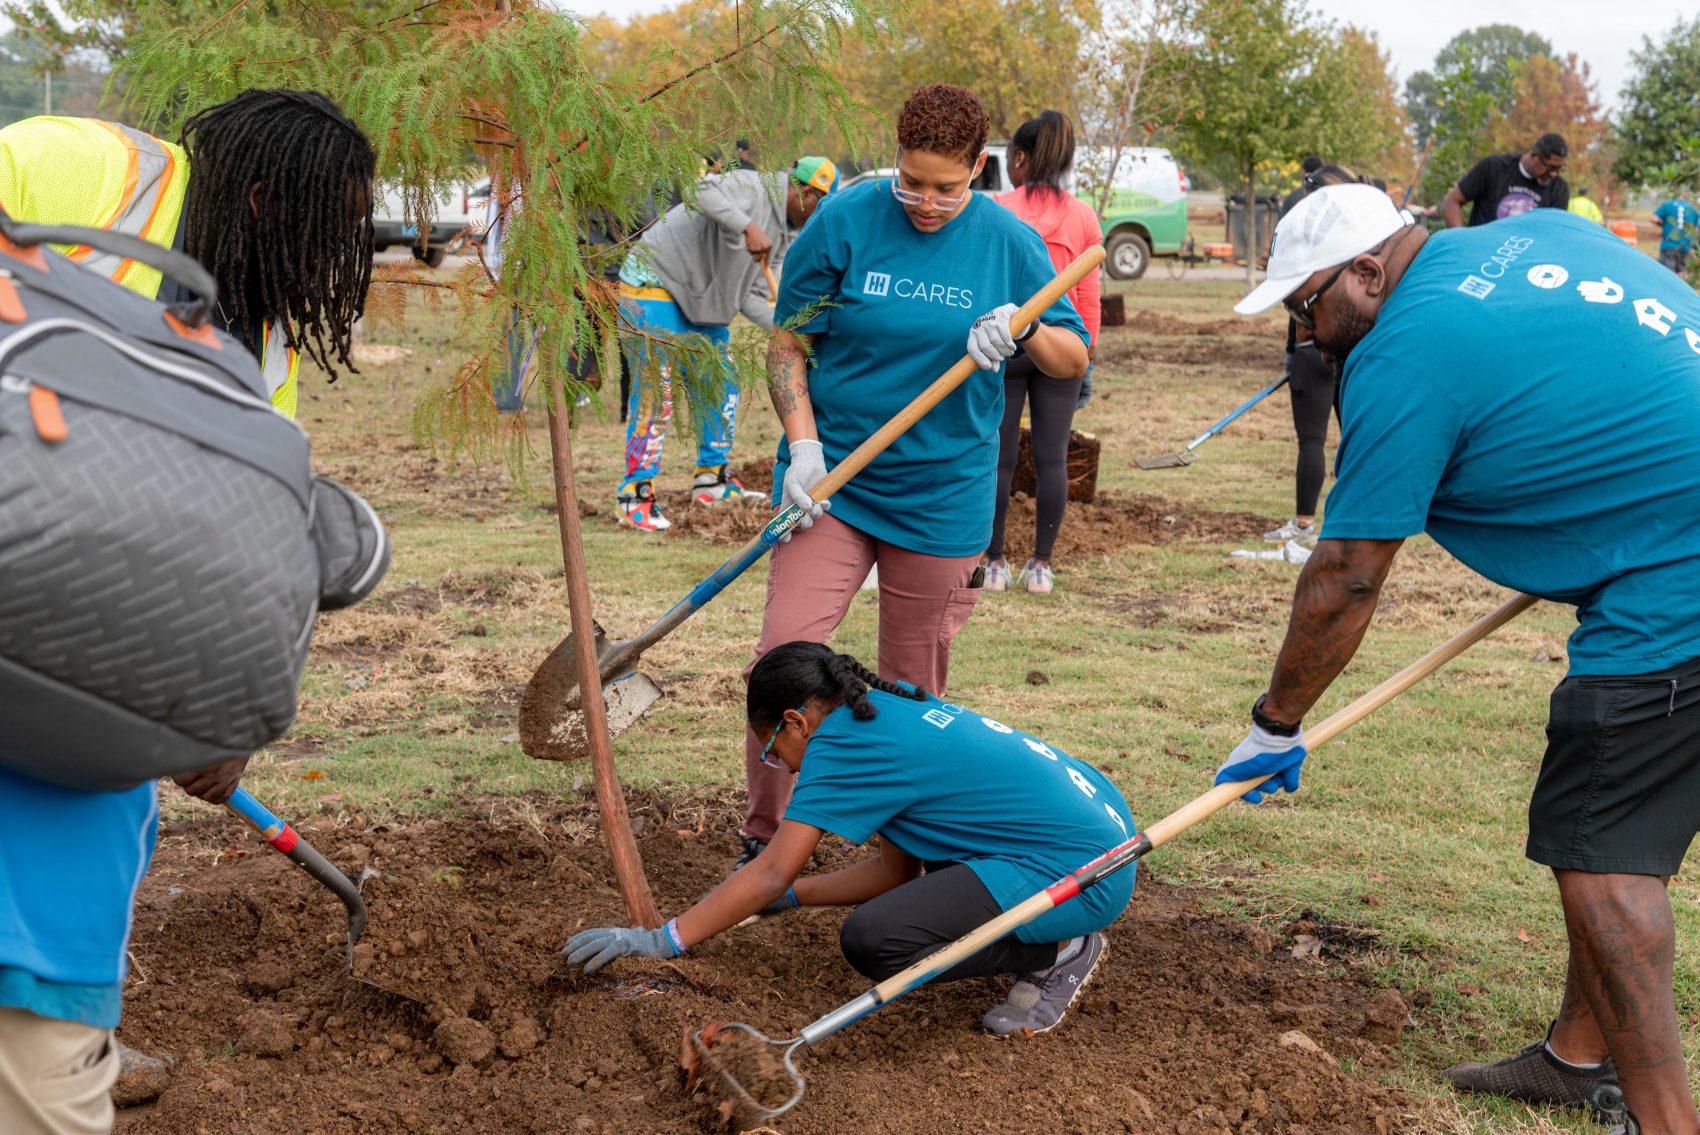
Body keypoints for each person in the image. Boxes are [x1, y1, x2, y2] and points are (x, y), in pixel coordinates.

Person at [1225, 182, 1700, 1135]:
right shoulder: (1541, 232)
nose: (1305, 336)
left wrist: (1273, 721)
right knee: (1614, 831)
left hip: (1678, 573)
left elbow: (1349, 572)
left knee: (1601, 855)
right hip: (1666, 519)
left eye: (1305, 304)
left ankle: (1664, 1120)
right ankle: (1579, 1056)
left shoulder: (1406, 352)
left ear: (1366, 271)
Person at [0, 90, 376, 1135]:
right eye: (322, 235)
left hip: (64, 640)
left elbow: (248, 549)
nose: (325, 266)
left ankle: (61, 1034)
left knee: (96, 814)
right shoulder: (85, 171)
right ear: (260, 198)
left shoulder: (256, 356)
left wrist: (224, 718)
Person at [737, 83, 1089, 869]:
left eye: (946, 187)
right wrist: (801, 447)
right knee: (782, 657)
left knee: (907, 690)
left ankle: (898, 854)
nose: (925, 202)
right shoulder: (848, 218)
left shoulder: (1008, 243)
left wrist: (1025, 326)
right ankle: (763, 835)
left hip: (942, 495)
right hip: (831, 483)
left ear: (978, 167)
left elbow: (1074, 354)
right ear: (893, 159)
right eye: (911, 181)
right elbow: (788, 341)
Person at [564, 641, 1135, 1035]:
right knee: (918, 892)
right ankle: (1052, 935)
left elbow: (769, 871)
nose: (781, 768)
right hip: (1097, 834)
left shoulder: (841, 747)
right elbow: (896, 872)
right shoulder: (882, 710)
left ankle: (1060, 950)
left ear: (795, 722)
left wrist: (662, 940)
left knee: (877, 940)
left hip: (1080, 874)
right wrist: (785, 900)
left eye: (771, 752)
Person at [614, 156, 837, 531]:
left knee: (722, 382)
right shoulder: (753, 185)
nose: (818, 216)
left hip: (703, 304)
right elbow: (701, 190)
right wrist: (747, 226)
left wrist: (790, 331)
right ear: (806, 192)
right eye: (819, 203)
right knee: (659, 388)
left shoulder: (783, 237)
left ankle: (712, 481)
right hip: (654, 280)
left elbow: (751, 295)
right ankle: (634, 496)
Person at [982, 110, 1102, 595]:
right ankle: (1041, 566)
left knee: (999, 457)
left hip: (1007, 341)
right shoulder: (1082, 215)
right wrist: (1085, 355)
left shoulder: (996, 209)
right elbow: (1088, 298)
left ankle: (993, 562)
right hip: (1061, 346)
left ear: (1020, 159)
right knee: (1052, 459)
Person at [1264, 163, 1363, 546]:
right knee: (1352, 438)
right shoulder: (1361, 236)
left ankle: (1306, 523)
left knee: (1312, 440)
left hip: (1317, 351)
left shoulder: (1309, 240)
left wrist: (1294, 351)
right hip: (1351, 353)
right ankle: (1350, 522)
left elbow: (1300, 305)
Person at [1441, 133, 1569, 228]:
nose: (1553, 174)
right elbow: (1451, 202)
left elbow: (1553, 231)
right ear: (1534, 155)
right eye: (1550, 167)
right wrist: (1462, 243)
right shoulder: (1494, 168)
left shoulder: (1559, 189)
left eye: (1559, 168)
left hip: (1524, 260)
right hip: (1481, 253)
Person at [1652, 193, 1697, 278]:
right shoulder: (1692, 209)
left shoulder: (1667, 205)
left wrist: (1663, 224)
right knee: (1681, 273)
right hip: (1684, 246)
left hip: (1669, 244)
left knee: (1668, 274)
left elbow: (1653, 218)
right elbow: (1696, 229)